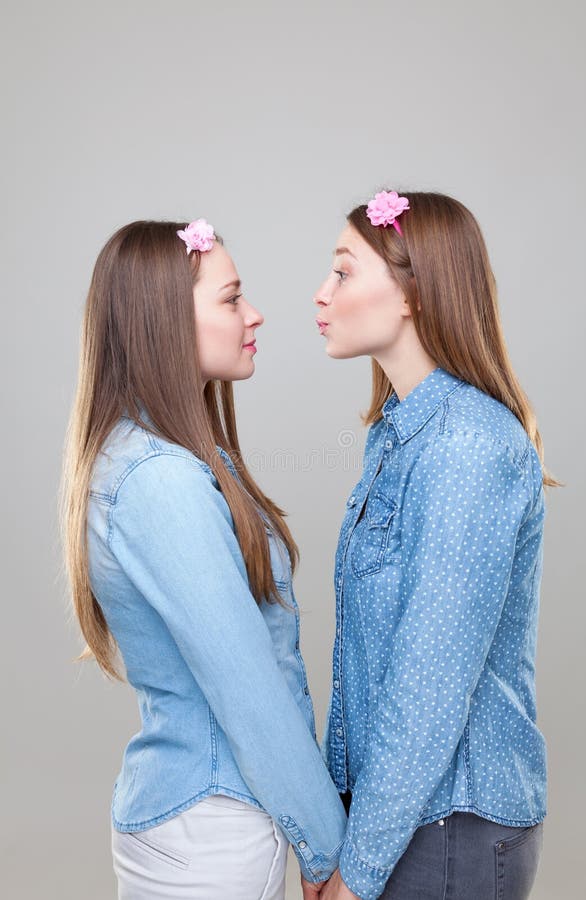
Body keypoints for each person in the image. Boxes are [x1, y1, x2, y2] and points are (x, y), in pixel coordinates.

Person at [62, 218, 346, 899]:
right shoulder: (159, 480)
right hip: (210, 829)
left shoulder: (169, 458)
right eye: (230, 299)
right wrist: (328, 853)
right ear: (165, 323)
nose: (255, 315)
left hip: (201, 821)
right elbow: (247, 687)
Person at [312, 191, 552, 900]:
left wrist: (355, 874)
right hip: (401, 821)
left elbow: (428, 687)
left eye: (343, 272)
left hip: (451, 829)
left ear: (412, 291)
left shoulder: (468, 445)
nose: (321, 294)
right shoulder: (396, 432)